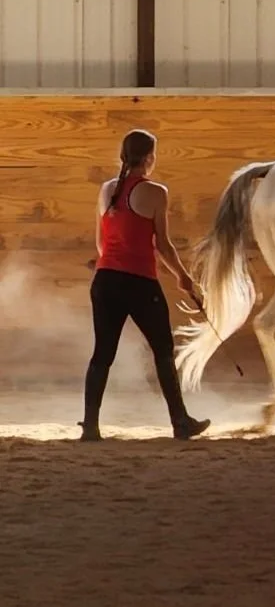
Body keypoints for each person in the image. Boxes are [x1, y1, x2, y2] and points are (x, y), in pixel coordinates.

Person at [80, 128, 210, 442]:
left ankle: (91, 426)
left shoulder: (106, 190)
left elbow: (101, 244)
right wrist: (183, 277)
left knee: (102, 354)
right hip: (139, 283)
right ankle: (180, 422)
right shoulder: (156, 192)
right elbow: (163, 244)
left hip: (105, 280)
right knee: (163, 352)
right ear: (150, 157)